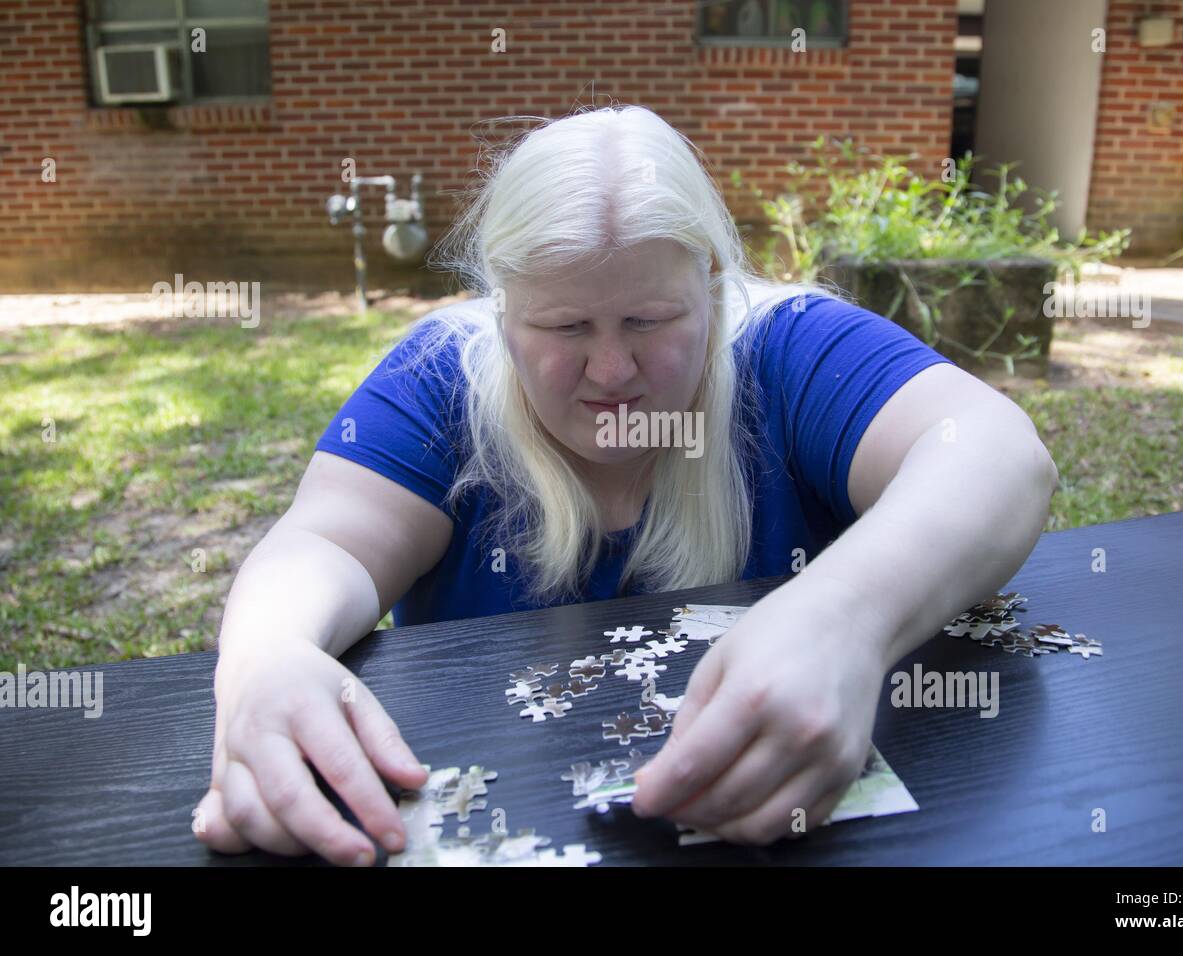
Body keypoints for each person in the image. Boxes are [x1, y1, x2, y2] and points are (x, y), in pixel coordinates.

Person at [195, 105, 1058, 865]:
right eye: (564, 325)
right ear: (500, 312)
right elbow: (324, 540)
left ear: (714, 291)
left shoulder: (788, 346)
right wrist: (267, 657)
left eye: (649, 320)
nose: (611, 369)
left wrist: (844, 623)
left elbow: (994, 454)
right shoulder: (438, 376)